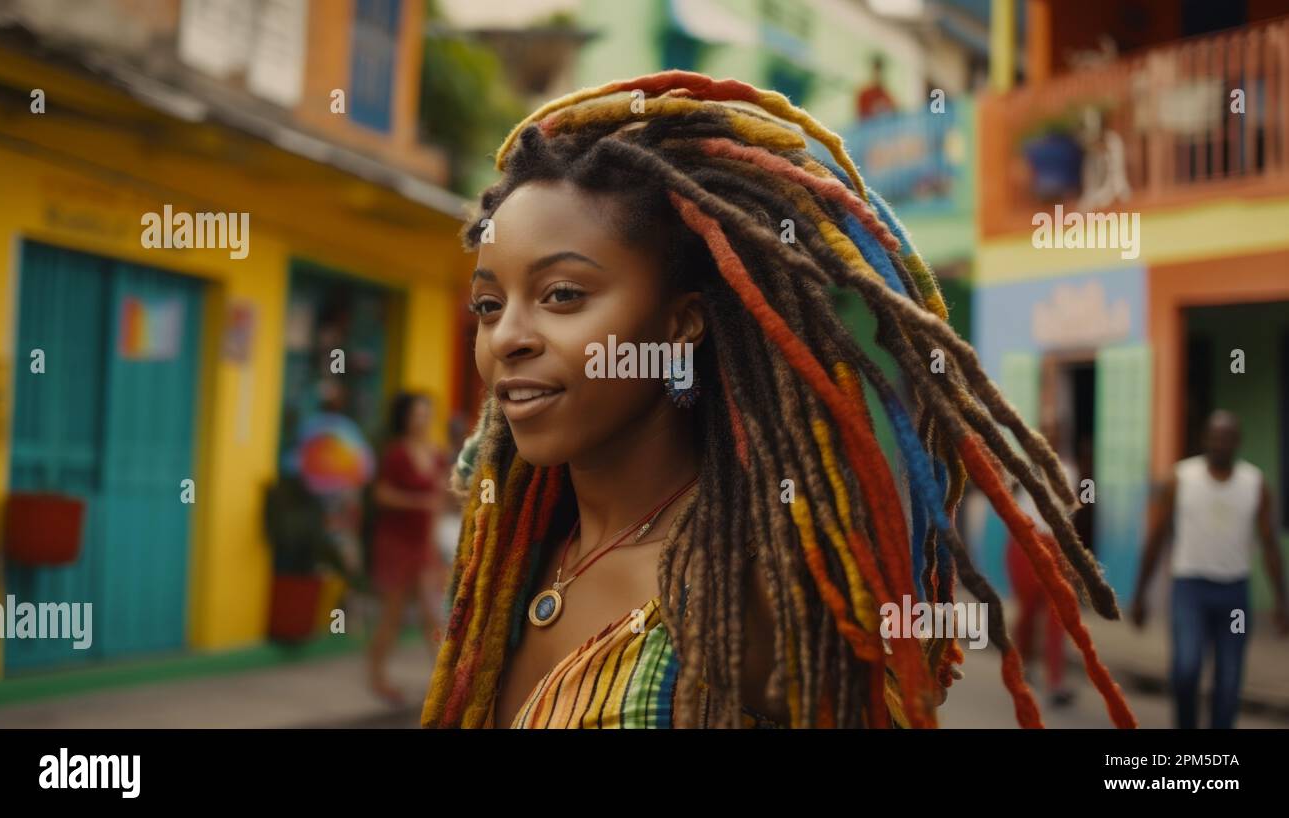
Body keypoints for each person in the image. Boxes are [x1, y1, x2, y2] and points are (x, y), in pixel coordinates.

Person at [421, 70, 1134, 729]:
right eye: (488, 305)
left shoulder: (752, 594)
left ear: (680, 324)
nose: (507, 337)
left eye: (562, 296)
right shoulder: (508, 558)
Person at [1130, 410, 1289, 729]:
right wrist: (1140, 594)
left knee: (1229, 682)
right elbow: (1157, 536)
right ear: (1205, 439)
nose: (1221, 443)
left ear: (1237, 441)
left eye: (1227, 437)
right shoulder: (1181, 478)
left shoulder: (1254, 484)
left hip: (1234, 594)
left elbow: (1270, 543)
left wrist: (1281, 600)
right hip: (1190, 590)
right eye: (1215, 436)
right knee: (1186, 669)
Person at [368, 392, 448, 705]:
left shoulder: (436, 453)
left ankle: (443, 683)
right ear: (405, 418)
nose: (422, 420)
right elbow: (382, 495)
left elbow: (440, 499)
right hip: (395, 543)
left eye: (426, 414)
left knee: (433, 614)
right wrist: (418, 502)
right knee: (393, 615)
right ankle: (377, 677)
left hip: (423, 545)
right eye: (417, 414)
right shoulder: (396, 454)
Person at [1005, 414, 1076, 707]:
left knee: (1058, 615)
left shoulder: (1069, 470)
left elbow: (1069, 514)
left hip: (1055, 547)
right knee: (1028, 613)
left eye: (1054, 432)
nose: (1048, 437)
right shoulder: (1020, 467)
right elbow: (1004, 497)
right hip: (1024, 544)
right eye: (1044, 432)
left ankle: (1055, 683)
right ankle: (1024, 665)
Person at [856, 53, 897, 121]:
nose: (879, 75)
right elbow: (860, 119)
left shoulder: (888, 97)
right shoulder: (865, 95)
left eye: (880, 71)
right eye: (876, 71)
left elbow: (895, 116)